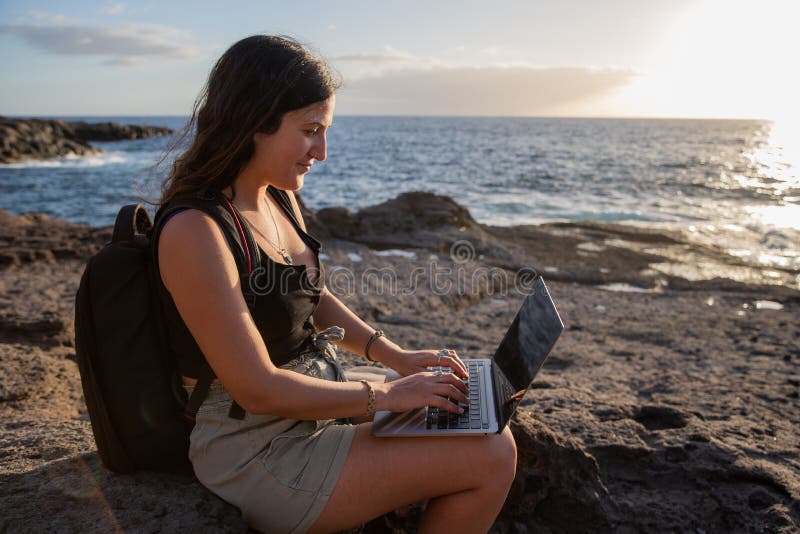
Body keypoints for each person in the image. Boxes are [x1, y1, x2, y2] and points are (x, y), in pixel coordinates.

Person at [155, 35, 517, 534]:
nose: (321, 152)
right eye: (310, 131)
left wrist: (398, 360)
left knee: (467, 406)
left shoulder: (275, 197)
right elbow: (257, 389)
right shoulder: (195, 231)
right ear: (253, 121)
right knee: (492, 454)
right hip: (258, 448)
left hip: (314, 398)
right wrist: (389, 397)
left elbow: (309, 297)